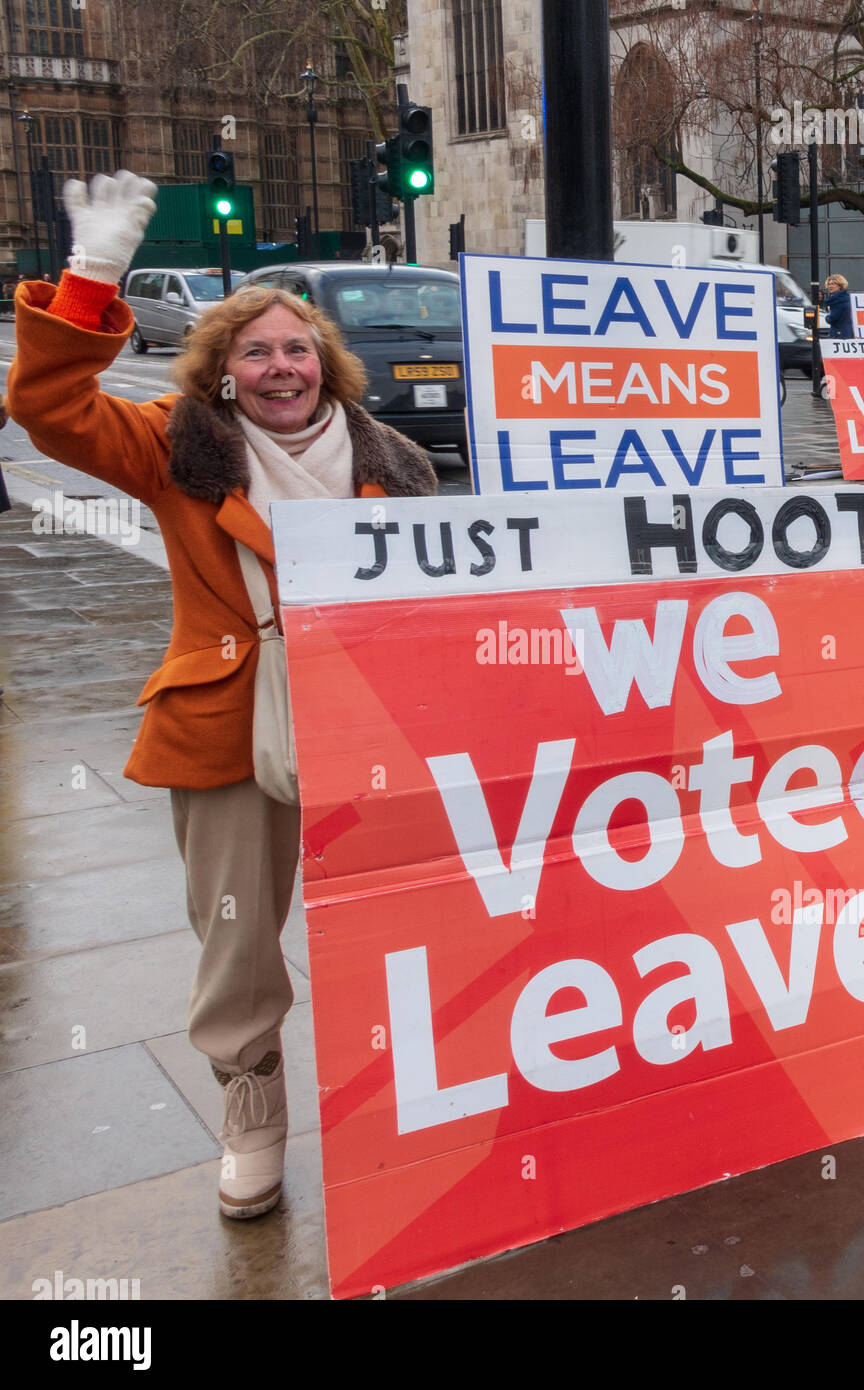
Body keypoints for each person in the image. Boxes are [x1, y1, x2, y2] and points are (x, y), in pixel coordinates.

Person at [6, 171, 438, 1221]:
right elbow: (50, 410)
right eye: (254, 351)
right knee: (238, 945)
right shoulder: (175, 445)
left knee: (404, 927)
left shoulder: (401, 464)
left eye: (295, 348)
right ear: (223, 371)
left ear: (322, 364)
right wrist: (92, 273)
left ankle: (419, 1101)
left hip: (372, 731)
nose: (279, 365)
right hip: (228, 730)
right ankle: (252, 1121)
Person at [824, 274, 853, 338]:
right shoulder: (847, 297)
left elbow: (832, 318)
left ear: (840, 285)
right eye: (829, 284)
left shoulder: (837, 299)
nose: (830, 286)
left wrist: (826, 318)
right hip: (848, 331)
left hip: (838, 333)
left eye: (833, 284)